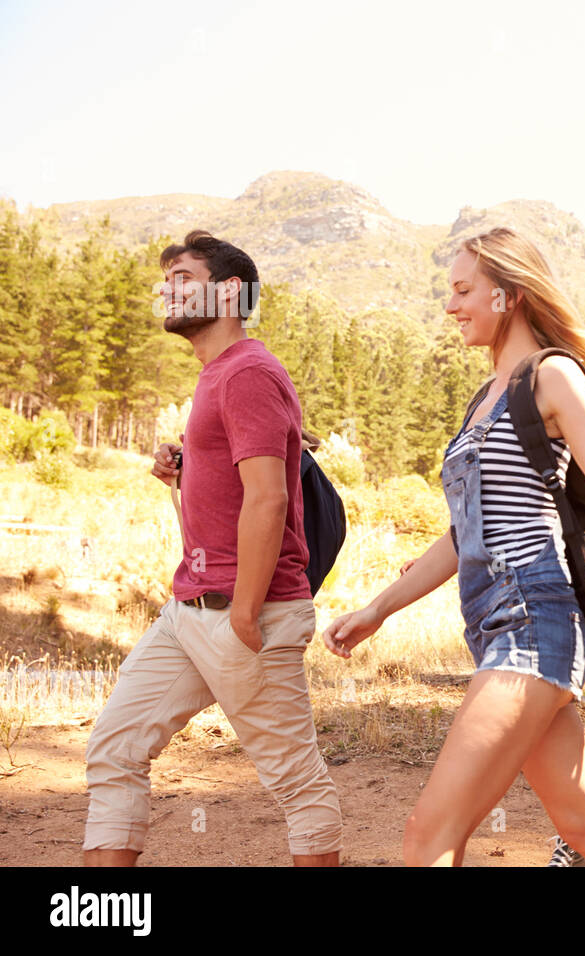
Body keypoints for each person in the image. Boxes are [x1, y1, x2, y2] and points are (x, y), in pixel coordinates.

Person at [323, 227, 585, 867]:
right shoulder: (481, 401)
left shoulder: (552, 376)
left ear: (510, 295)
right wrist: (378, 609)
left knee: (427, 836)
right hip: (493, 630)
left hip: (534, 622)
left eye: (465, 289)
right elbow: (458, 536)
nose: (450, 305)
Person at [83, 231, 342, 866]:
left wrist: (246, 614)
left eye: (183, 278)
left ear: (229, 292)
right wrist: (182, 473)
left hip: (244, 613)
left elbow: (268, 501)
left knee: (295, 782)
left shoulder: (248, 371)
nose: (165, 290)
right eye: (163, 280)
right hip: (189, 611)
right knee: (114, 749)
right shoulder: (217, 375)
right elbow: (236, 496)